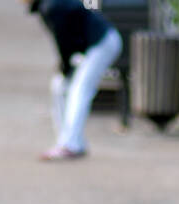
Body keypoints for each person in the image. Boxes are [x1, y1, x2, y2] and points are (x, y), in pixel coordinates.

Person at [24, 0, 123, 161]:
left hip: (102, 44)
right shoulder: (47, 5)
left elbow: (63, 40)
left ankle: (70, 145)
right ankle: (70, 141)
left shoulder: (52, 7)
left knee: (80, 90)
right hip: (92, 45)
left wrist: (66, 66)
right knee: (59, 86)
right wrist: (66, 67)